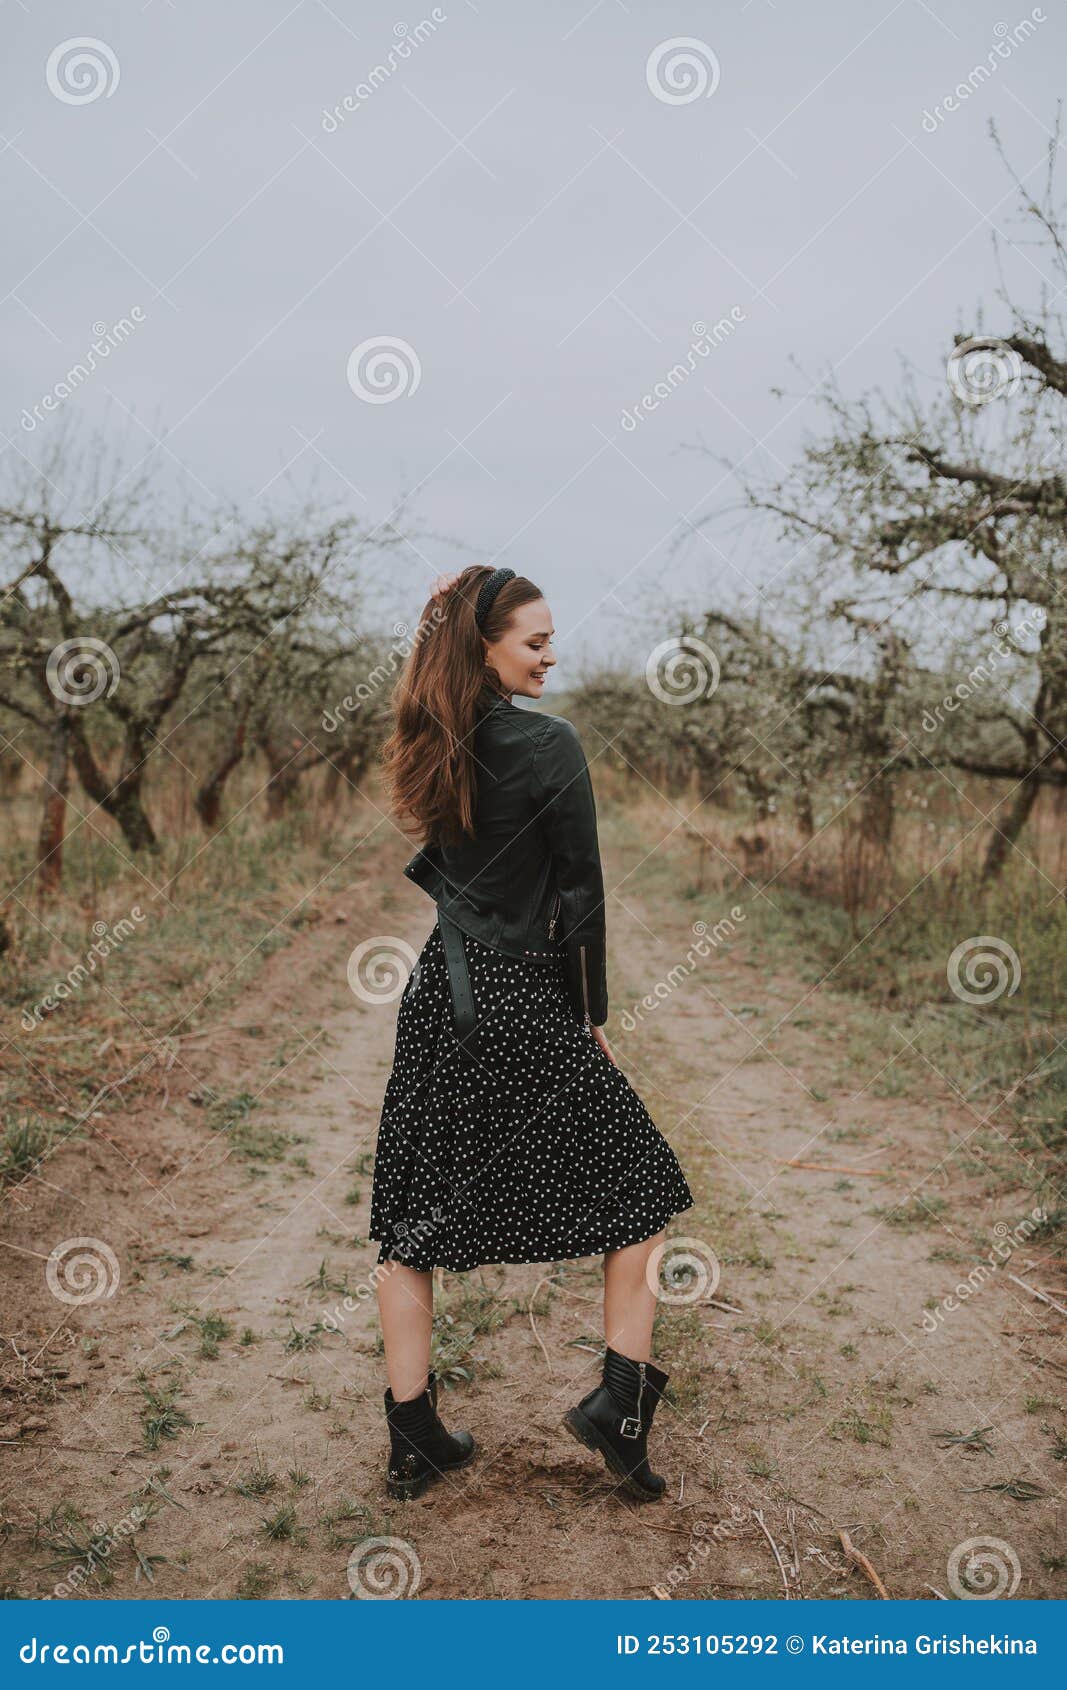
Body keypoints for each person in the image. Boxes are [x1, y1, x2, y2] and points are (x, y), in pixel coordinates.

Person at [369, 564, 694, 1503]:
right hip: (523, 1001)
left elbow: (428, 670)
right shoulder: (550, 747)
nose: (552, 655)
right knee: (639, 1196)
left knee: (410, 1223)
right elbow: (581, 897)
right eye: (534, 641)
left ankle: (414, 1437)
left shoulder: (432, 736)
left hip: (442, 994)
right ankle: (617, 1416)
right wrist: (589, 1019)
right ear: (485, 647)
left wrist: (438, 610)